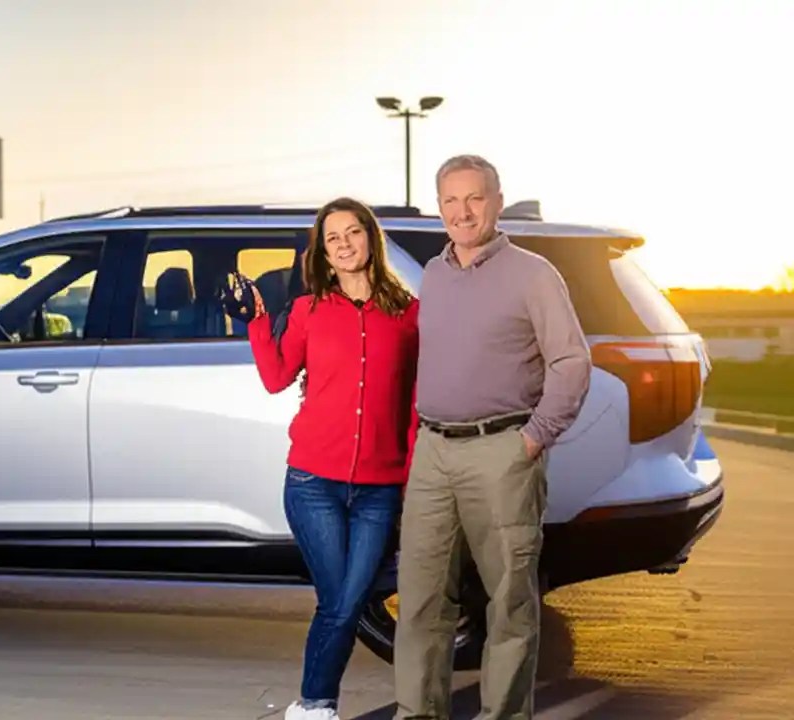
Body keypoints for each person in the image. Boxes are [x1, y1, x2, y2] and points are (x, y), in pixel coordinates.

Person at [392, 155, 591, 720]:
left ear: (497, 202)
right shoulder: (434, 274)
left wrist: (532, 439)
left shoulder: (533, 274)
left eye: (474, 198)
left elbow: (572, 363)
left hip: (502, 451)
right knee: (422, 600)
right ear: (439, 208)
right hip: (433, 453)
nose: (463, 211)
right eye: (451, 200)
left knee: (508, 604)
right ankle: (417, 713)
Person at [245, 197, 420, 720]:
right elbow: (277, 377)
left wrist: (408, 477)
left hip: (380, 488)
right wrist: (256, 323)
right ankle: (316, 705)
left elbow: (413, 402)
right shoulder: (308, 310)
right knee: (341, 603)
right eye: (332, 238)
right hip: (311, 484)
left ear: (371, 237)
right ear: (321, 252)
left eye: (352, 233)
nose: (344, 244)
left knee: (349, 600)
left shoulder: (409, 315)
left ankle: (311, 705)